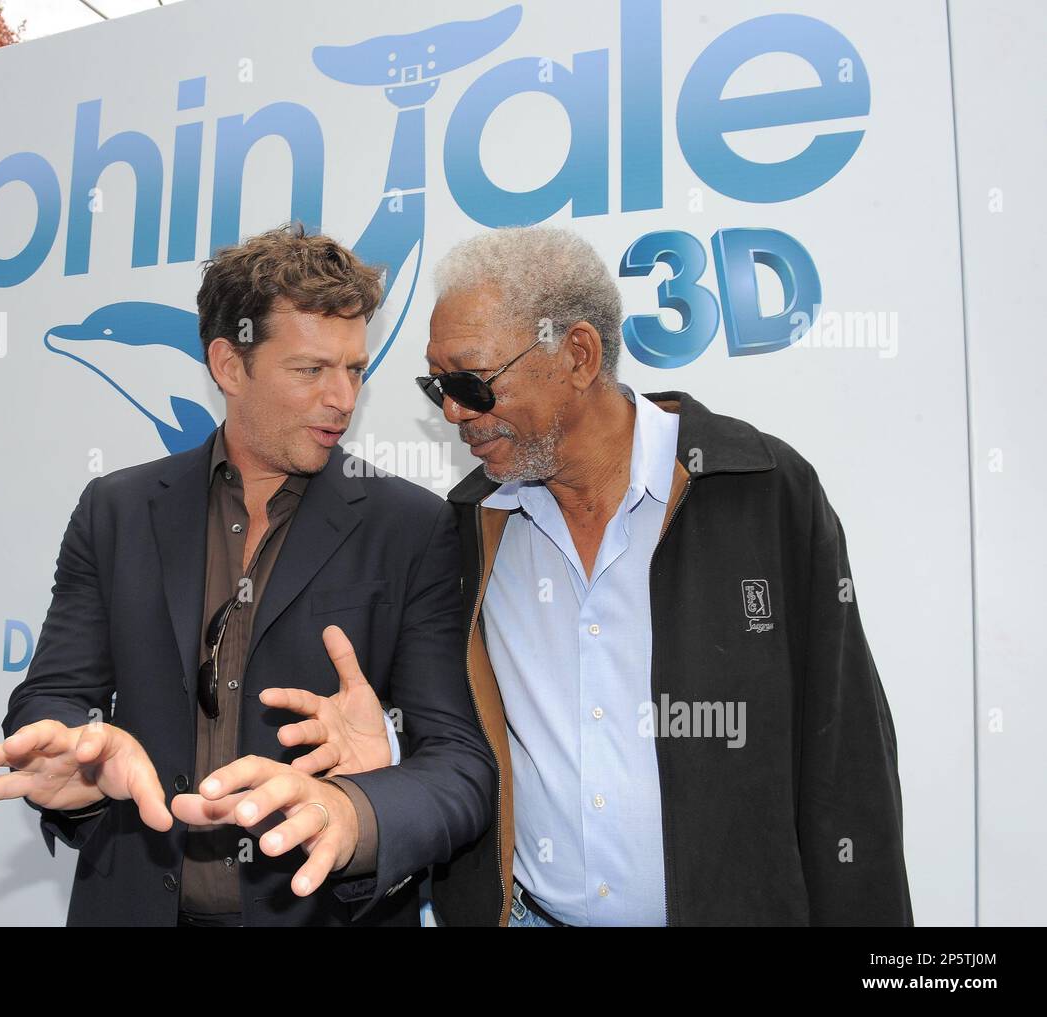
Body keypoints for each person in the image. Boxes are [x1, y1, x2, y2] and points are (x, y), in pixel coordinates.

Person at [277, 225, 912, 926]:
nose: (454, 412)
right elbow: (463, 739)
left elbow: (845, 757)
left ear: (578, 354)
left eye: (471, 381)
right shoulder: (466, 529)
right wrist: (393, 748)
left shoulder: (760, 489)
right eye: (438, 386)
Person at [0, 222, 494, 926]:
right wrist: (85, 762)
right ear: (229, 365)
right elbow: (53, 697)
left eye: (355, 368)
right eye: (311, 369)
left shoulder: (411, 527)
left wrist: (352, 811)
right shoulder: (117, 509)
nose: (343, 399)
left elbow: (459, 764)